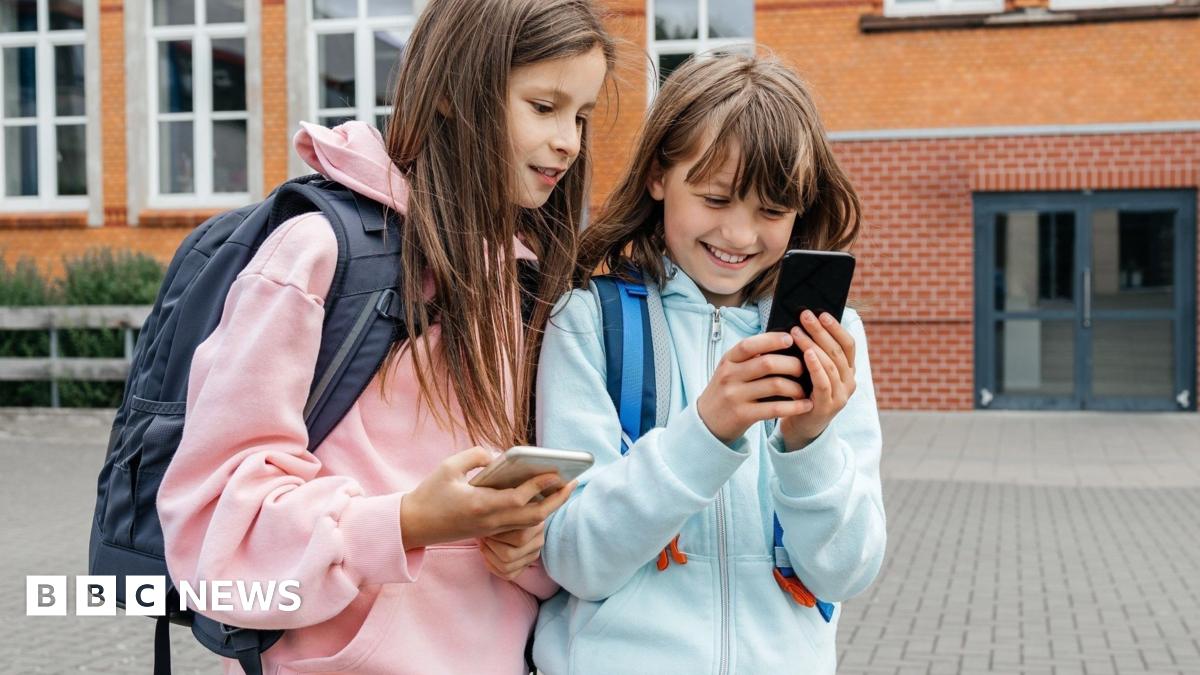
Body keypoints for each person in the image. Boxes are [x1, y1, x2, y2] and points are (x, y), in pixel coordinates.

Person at [154, 1, 613, 673]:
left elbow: (529, 531)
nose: (569, 141)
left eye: (581, 115)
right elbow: (214, 525)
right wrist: (404, 523)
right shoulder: (315, 256)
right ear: (457, 95)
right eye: (543, 106)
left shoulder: (528, 283)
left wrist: (531, 542)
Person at [532, 53, 887, 674]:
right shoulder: (588, 321)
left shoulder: (833, 339)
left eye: (772, 212)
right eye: (716, 198)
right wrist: (706, 432)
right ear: (658, 175)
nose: (741, 235)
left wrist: (808, 448)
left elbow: (846, 572)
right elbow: (575, 559)